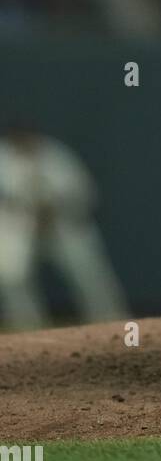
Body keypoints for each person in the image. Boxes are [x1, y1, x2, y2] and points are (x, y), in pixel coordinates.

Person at [0, 127, 127, 329]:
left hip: (63, 224)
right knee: (13, 277)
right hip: (21, 227)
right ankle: (26, 329)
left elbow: (84, 192)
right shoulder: (4, 157)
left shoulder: (56, 156)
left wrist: (55, 206)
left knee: (90, 276)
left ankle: (114, 325)